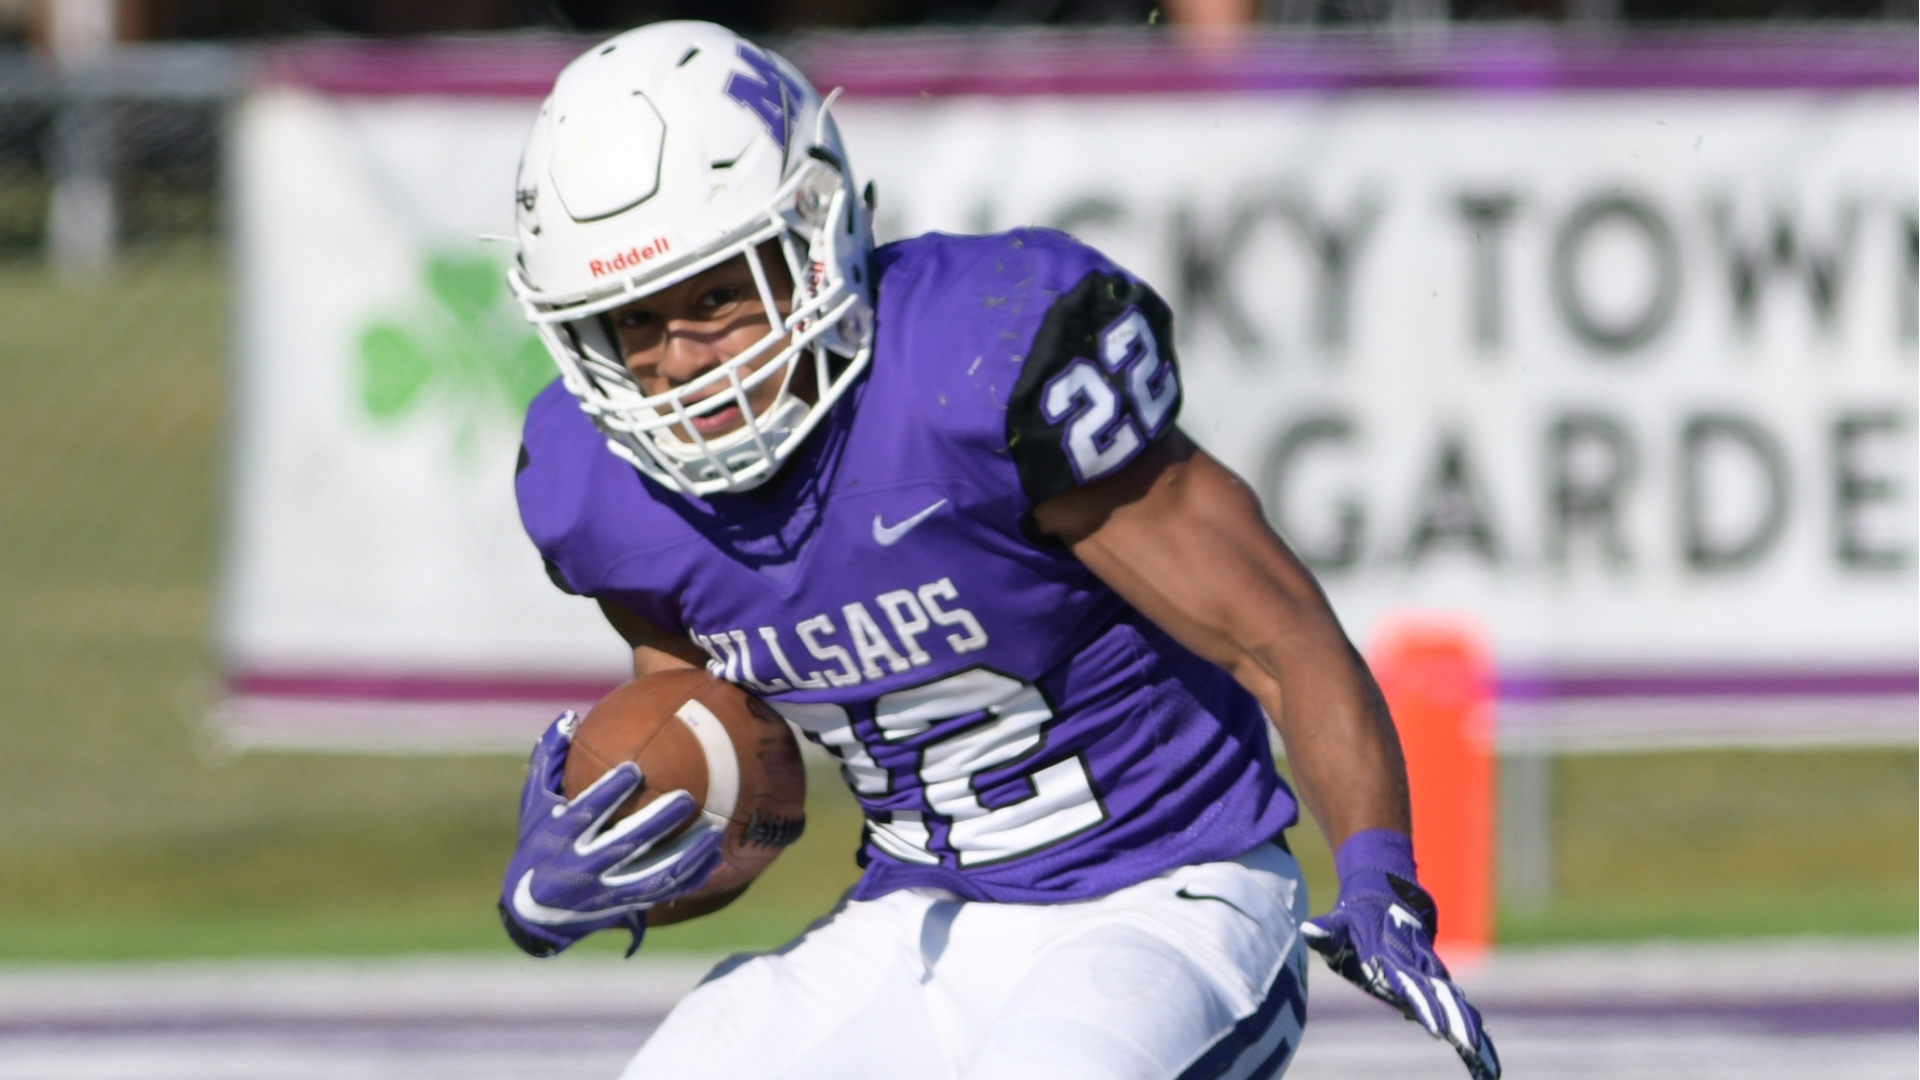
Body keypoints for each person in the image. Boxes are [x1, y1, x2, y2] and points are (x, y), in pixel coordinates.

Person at [496, 19, 1499, 1080]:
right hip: (919, 917)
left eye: (716, 297)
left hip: (1164, 898)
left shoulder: (974, 368)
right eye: (634, 325)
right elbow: (744, 800)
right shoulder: (602, 490)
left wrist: (1379, 870)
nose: (682, 363)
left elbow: (1279, 637)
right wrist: (579, 887)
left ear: (814, 233)